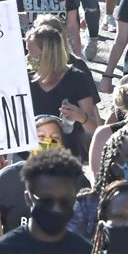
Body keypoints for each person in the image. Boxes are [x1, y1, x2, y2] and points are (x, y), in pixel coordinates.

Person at [27, 23, 100, 161]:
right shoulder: (26, 79)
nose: (28, 59)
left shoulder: (77, 78)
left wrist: (81, 117)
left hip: (66, 159)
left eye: (32, 56)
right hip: (28, 157)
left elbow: (94, 128)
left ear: (47, 55)